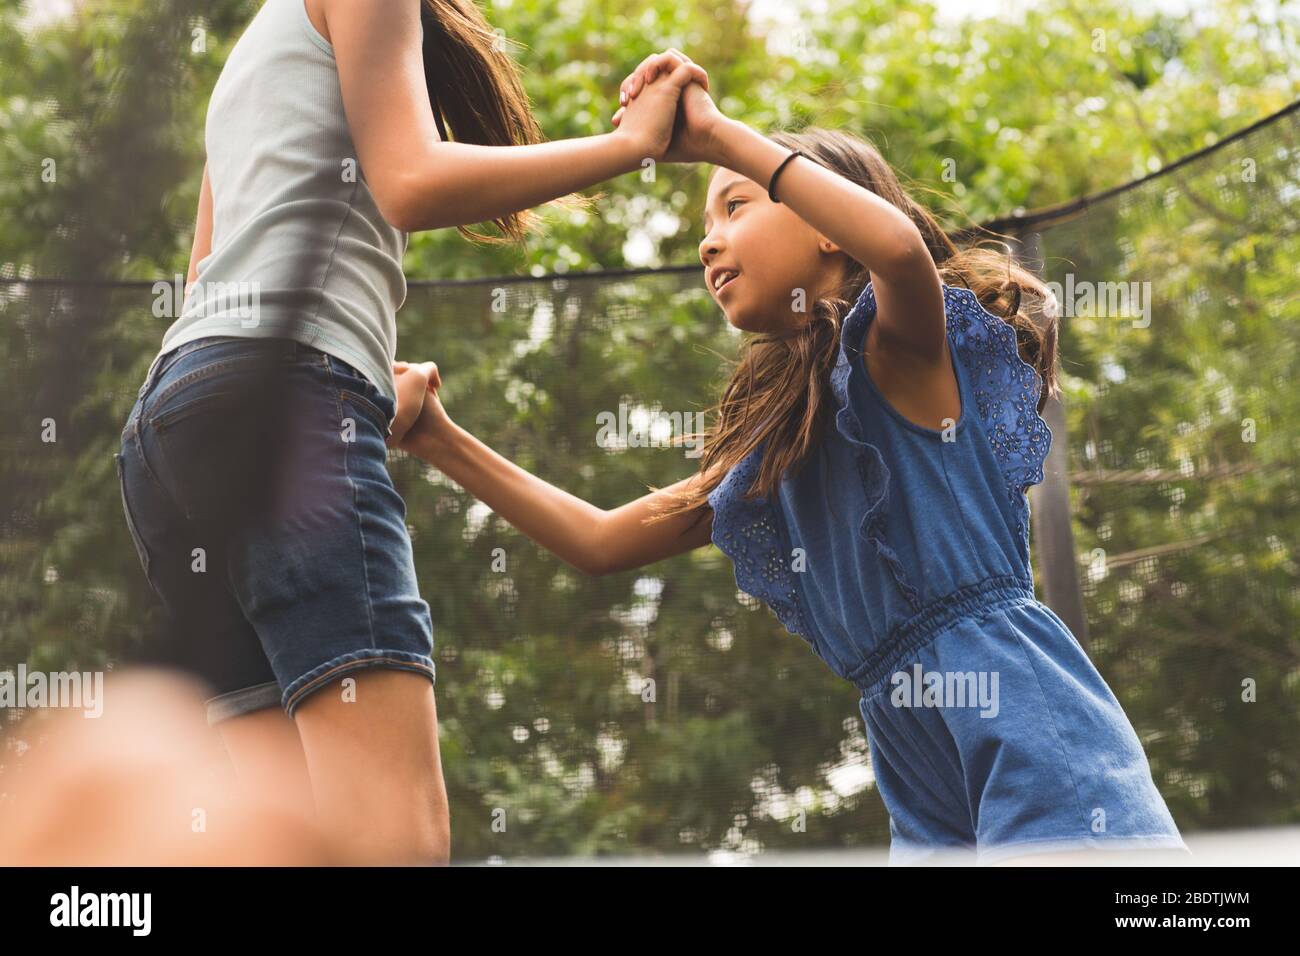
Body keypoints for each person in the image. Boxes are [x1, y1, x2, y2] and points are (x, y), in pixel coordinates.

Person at [386, 62, 1192, 865]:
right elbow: (601, 542)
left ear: (826, 226)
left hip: (1024, 715)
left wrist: (715, 136)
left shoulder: (902, 352)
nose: (708, 240)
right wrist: (437, 438)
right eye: (708, 222)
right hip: (913, 756)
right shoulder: (775, 450)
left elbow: (901, 252)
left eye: (734, 205)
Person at [115, 0, 707, 865]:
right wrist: (631, 146)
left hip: (173, 428)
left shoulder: (254, 51)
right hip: (289, 407)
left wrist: (348, 376)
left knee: (280, 842)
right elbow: (410, 180)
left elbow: (210, 275)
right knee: (397, 843)